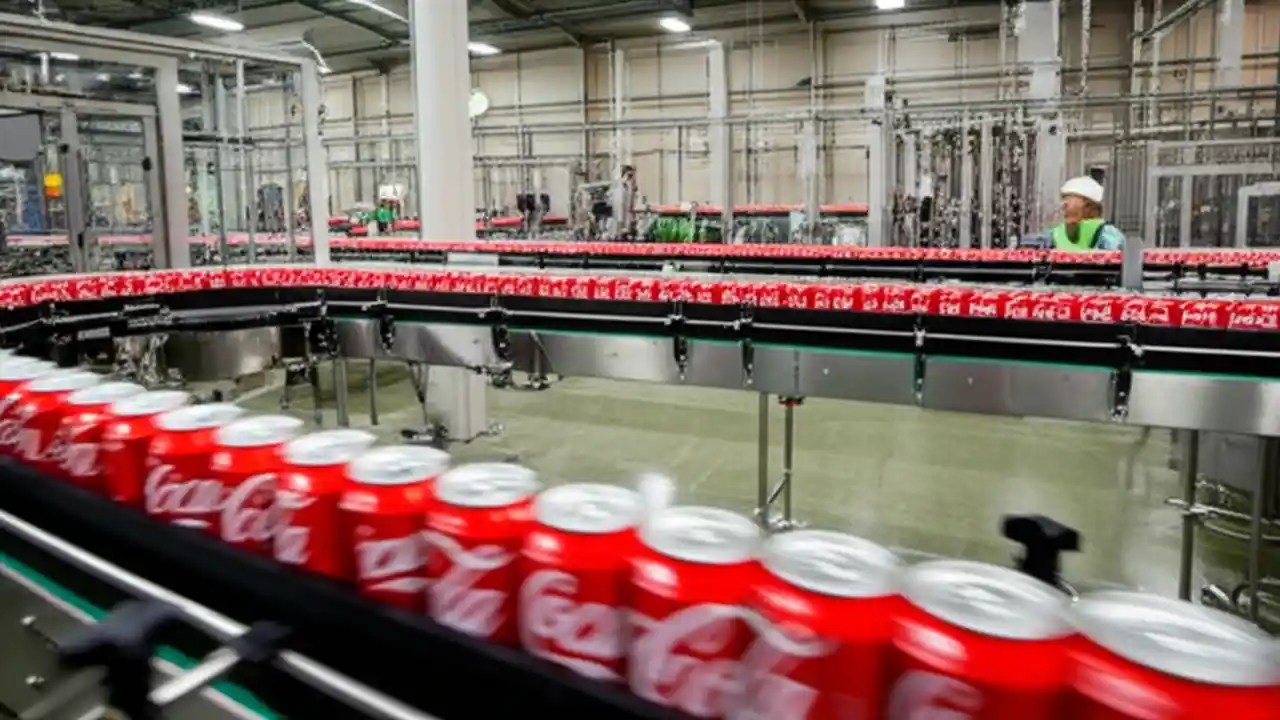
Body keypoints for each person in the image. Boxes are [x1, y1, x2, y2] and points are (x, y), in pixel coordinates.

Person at [1051, 176, 1125, 251]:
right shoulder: (1054, 235)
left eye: (1069, 199)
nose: (1063, 205)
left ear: (1089, 206)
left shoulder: (1108, 235)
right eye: (1064, 199)